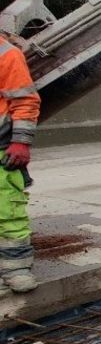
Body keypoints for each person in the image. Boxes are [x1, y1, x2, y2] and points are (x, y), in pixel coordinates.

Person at [0, 33, 40, 297]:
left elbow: (25, 100)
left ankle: (16, 269)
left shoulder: (5, 54)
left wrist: (21, 142)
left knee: (9, 210)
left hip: (1, 147)